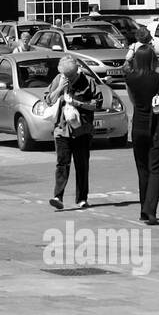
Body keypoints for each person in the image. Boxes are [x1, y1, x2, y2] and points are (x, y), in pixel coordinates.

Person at [123, 45, 159, 225]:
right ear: (152, 60)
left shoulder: (130, 78)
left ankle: (144, 210)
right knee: (156, 169)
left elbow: (133, 101)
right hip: (157, 127)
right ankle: (150, 211)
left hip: (138, 127)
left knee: (142, 170)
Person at [46, 55, 100, 210]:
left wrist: (78, 103)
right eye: (65, 75)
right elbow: (48, 100)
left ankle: (82, 198)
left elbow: (97, 104)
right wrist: (59, 88)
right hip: (62, 130)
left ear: (77, 70)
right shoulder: (59, 79)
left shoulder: (88, 82)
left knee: (82, 165)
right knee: (62, 164)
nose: (67, 78)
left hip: (82, 131)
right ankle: (58, 196)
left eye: (70, 75)